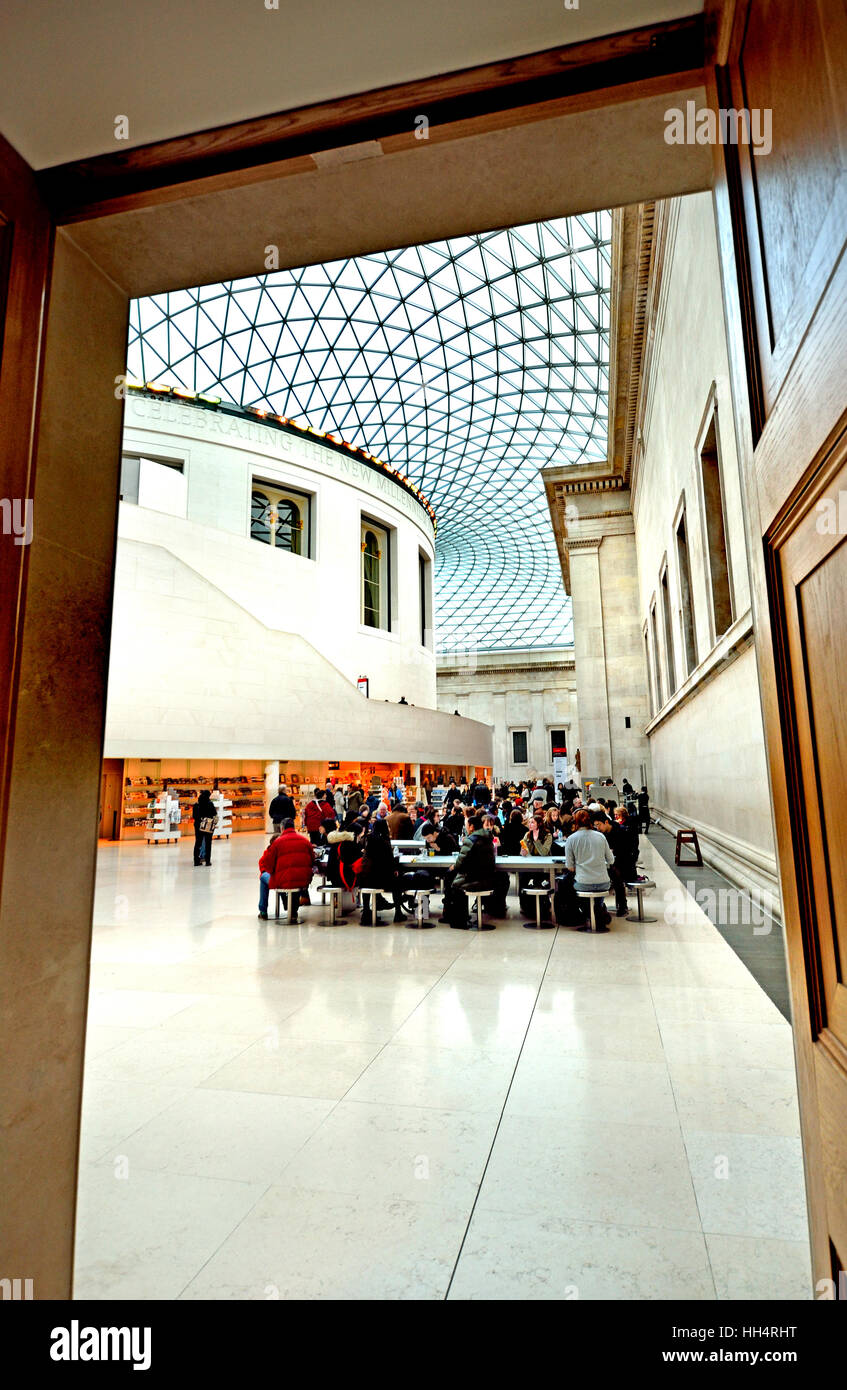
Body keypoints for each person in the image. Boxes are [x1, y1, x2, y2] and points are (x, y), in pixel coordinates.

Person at [447, 814, 508, 929]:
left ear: (471, 827)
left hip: (474, 878)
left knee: (454, 883)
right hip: (488, 877)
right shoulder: (488, 838)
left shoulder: (471, 840)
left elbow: (460, 863)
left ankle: (458, 920)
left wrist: (453, 867)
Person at [564, 808, 614, 931]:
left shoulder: (571, 839)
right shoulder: (601, 836)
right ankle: (598, 910)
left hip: (583, 882)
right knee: (597, 897)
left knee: (567, 885)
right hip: (603, 882)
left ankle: (587, 912)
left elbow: (570, 867)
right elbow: (611, 860)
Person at [257, 820, 315, 921]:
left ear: (282, 828)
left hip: (283, 880)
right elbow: (312, 861)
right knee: (296, 879)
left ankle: (263, 911)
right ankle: (293, 911)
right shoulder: (305, 841)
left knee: (263, 877)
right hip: (303, 880)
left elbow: (268, 866)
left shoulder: (277, 843)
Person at [358, 819, 406, 923]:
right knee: (397, 882)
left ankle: (366, 912)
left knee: (367, 879)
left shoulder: (367, 838)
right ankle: (398, 913)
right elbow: (389, 862)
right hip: (380, 880)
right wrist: (395, 867)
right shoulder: (384, 841)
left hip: (365, 879)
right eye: (387, 826)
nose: (389, 828)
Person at [192, 789, 217, 866]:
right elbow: (214, 814)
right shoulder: (210, 804)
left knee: (198, 843)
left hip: (198, 826)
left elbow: (194, 816)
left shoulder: (196, 805)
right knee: (208, 843)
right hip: (208, 826)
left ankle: (196, 861)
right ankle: (207, 861)